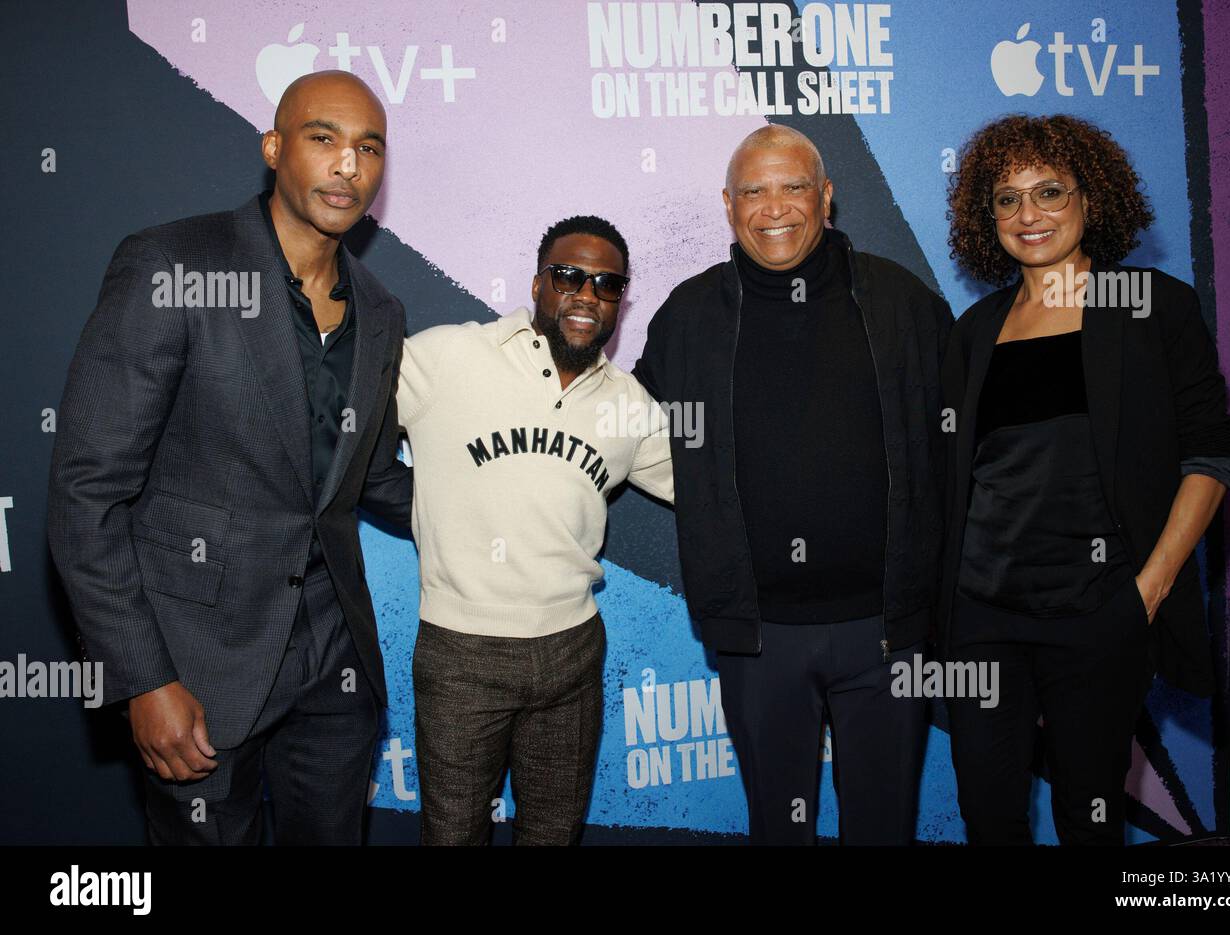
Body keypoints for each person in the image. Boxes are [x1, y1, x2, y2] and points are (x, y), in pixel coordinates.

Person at [46, 71, 412, 845]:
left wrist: (511, 498)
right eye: (324, 139)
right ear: (274, 148)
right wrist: (143, 677)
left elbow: (372, 477)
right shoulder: (172, 264)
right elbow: (88, 492)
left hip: (334, 661)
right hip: (198, 661)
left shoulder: (380, 310)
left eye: (368, 149)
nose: (348, 166)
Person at [633, 125, 953, 844]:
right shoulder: (687, 316)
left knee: (883, 826)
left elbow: (958, 447)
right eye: (754, 190)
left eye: (792, 186)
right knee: (780, 828)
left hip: (888, 628)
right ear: (727, 203)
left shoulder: (901, 300)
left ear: (826, 195)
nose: (773, 207)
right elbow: (635, 435)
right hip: (759, 636)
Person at [939, 113, 1230, 845]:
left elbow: (1209, 456)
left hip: (1101, 607)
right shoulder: (976, 329)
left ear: (1091, 200)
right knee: (989, 811)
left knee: (1090, 810)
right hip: (982, 613)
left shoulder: (1152, 307)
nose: (1028, 214)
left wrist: (1149, 589)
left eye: (1049, 191)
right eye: (1006, 199)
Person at [397, 216, 673, 845]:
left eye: (607, 284)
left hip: (573, 650)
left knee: (554, 835)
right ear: (538, 282)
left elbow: (712, 489)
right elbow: (339, 428)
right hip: (461, 650)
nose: (586, 294)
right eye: (568, 275)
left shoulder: (629, 403)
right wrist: (404, 499)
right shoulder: (449, 357)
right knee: (453, 836)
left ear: (620, 302)